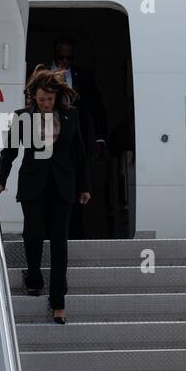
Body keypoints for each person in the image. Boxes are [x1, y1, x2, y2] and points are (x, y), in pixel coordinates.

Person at [0, 66, 90, 324]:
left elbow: (79, 155)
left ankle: (58, 302)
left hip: (63, 186)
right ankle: (33, 277)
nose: (46, 103)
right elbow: (9, 152)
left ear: (57, 96)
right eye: (41, 99)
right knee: (33, 235)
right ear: (33, 96)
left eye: (50, 99)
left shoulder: (71, 116)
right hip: (33, 184)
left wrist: (84, 187)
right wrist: (0, 182)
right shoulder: (22, 117)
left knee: (59, 243)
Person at [52, 37, 107, 239]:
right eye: (61, 57)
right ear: (54, 54)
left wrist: (100, 139)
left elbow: (97, 108)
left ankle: (74, 234)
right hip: (46, 142)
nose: (65, 61)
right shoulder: (40, 75)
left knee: (75, 189)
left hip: (75, 140)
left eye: (69, 57)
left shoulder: (81, 75)